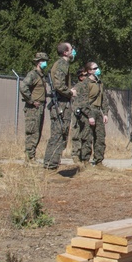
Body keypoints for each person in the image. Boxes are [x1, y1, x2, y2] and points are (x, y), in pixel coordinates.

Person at [42, 42, 77, 171]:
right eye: (71, 49)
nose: (73, 51)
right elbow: (59, 85)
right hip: (61, 103)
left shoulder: (62, 64)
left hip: (62, 102)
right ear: (65, 52)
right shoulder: (62, 64)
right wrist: (70, 92)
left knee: (60, 135)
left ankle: (51, 165)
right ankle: (50, 167)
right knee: (58, 135)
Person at [19, 52, 49, 163]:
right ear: (37, 62)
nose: (45, 63)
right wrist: (31, 100)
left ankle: (32, 156)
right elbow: (23, 87)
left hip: (40, 107)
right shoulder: (33, 74)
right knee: (32, 133)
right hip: (33, 108)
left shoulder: (41, 76)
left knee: (37, 133)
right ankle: (29, 157)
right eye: (43, 61)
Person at [82, 62, 109, 167]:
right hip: (89, 111)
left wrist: (105, 113)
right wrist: (89, 115)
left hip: (98, 112)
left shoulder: (100, 83)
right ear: (89, 71)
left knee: (100, 137)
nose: (98, 69)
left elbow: (104, 100)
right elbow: (83, 101)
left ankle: (99, 161)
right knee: (87, 138)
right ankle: (85, 161)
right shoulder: (85, 84)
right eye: (95, 68)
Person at [70, 67, 92, 166]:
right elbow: (76, 101)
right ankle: (76, 156)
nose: (86, 77)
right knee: (76, 135)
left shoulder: (89, 87)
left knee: (86, 137)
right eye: (84, 75)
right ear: (80, 77)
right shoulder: (77, 87)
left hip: (86, 114)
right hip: (78, 114)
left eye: (87, 75)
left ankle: (85, 158)